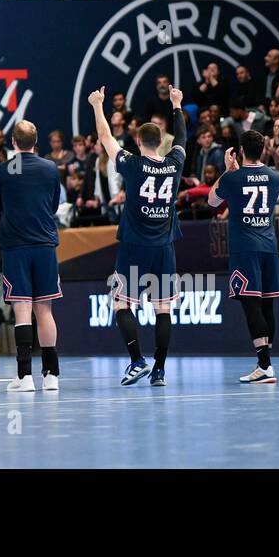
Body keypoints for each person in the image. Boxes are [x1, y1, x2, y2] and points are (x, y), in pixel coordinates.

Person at [90, 84, 186, 387]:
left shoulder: (131, 164)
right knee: (163, 308)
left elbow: (105, 138)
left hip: (134, 245)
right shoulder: (174, 164)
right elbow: (183, 138)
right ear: (162, 142)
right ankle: (159, 370)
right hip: (164, 247)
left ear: (137, 141)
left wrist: (97, 105)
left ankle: (136, 361)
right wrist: (177, 105)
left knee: (120, 302)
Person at [0, 120, 64, 392]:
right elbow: (54, 204)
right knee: (44, 310)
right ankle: (52, 374)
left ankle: (24, 377)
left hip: (16, 247)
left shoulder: (1, 170)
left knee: (21, 309)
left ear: (12, 141)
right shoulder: (50, 168)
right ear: (36, 141)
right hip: (44, 245)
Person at [208, 131, 279, 383]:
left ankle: (264, 365)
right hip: (269, 246)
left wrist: (228, 171)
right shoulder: (274, 177)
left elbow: (212, 200)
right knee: (267, 304)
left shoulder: (234, 178)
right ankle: (266, 362)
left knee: (251, 305)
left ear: (241, 150)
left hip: (245, 247)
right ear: (263, 149)